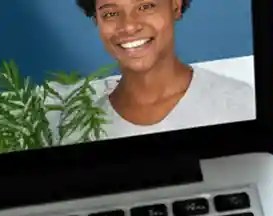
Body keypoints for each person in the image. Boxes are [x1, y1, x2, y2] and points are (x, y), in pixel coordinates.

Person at [75, 0, 256, 137]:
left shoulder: (237, 105)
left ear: (175, 6)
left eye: (145, 7)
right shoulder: (78, 128)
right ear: (96, 20)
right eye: (110, 14)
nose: (129, 26)